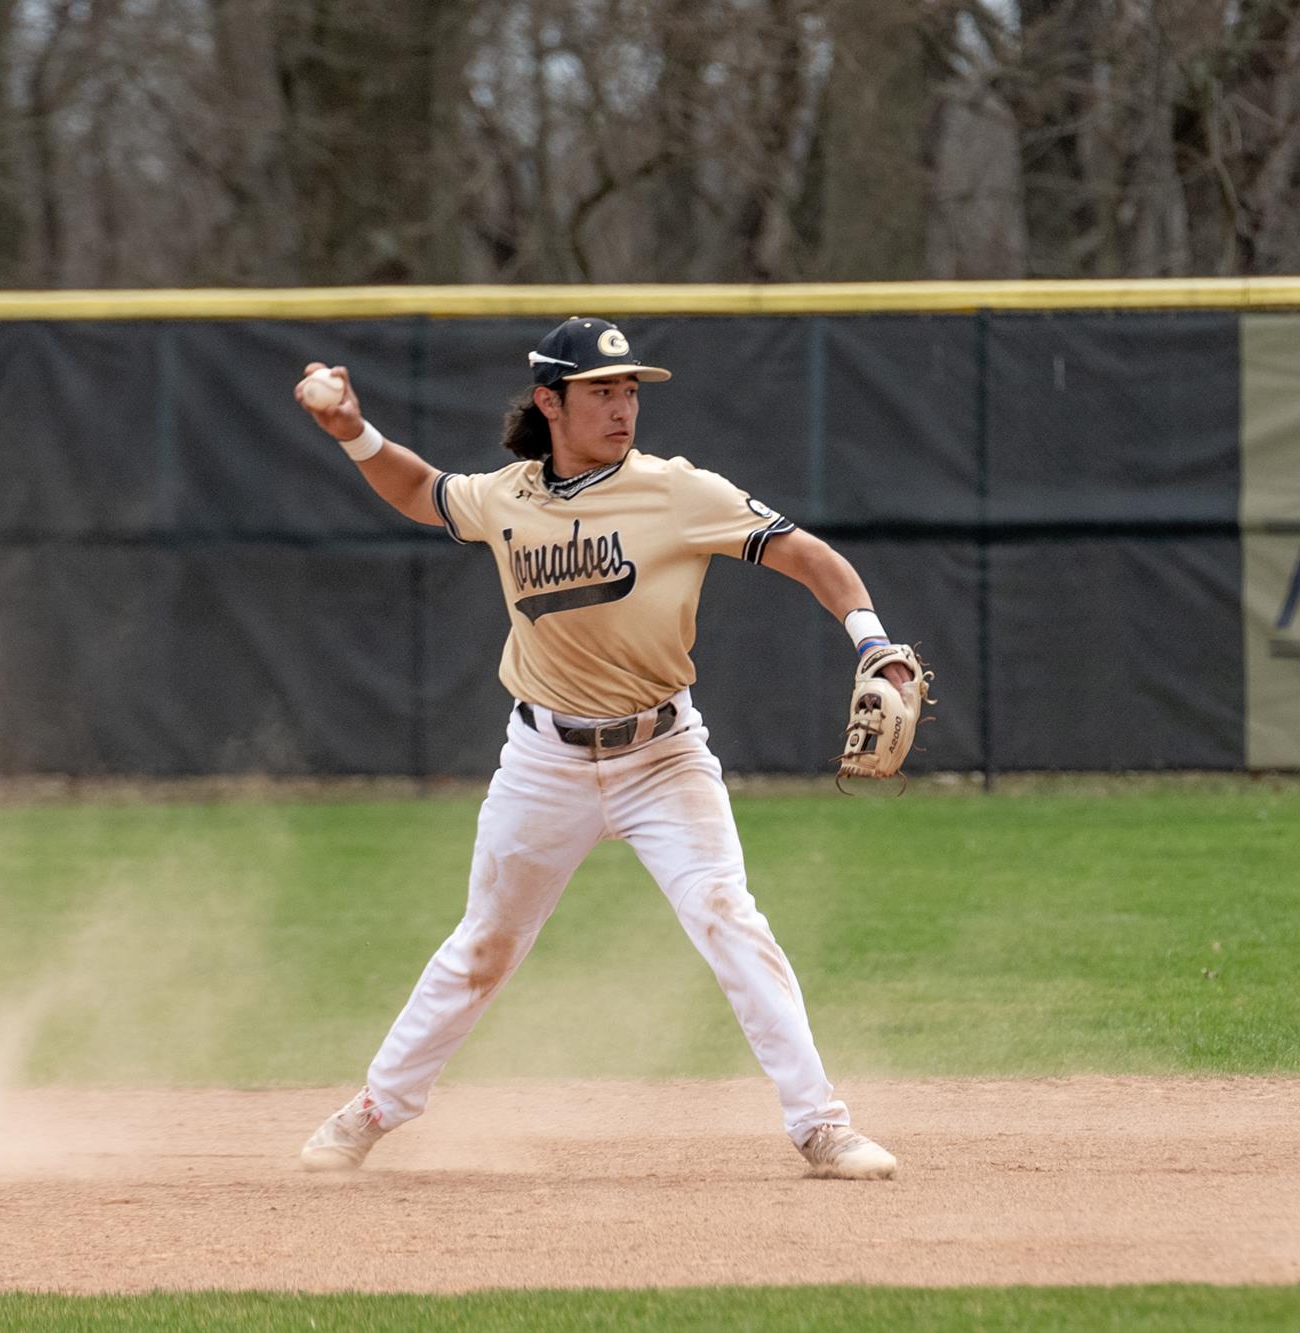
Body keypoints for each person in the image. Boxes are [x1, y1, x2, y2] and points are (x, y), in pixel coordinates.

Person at [293, 317, 911, 1181]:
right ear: (550, 402)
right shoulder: (505, 497)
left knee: (729, 917)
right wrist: (352, 431)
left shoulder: (678, 491)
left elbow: (809, 556)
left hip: (663, 756)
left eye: (629, 391)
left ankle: (821, 1125)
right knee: (485, 944)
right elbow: (423, 491)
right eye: (601, 392)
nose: (623, 408)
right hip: (543, 761)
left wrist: (872, 639)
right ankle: (373, 1108)